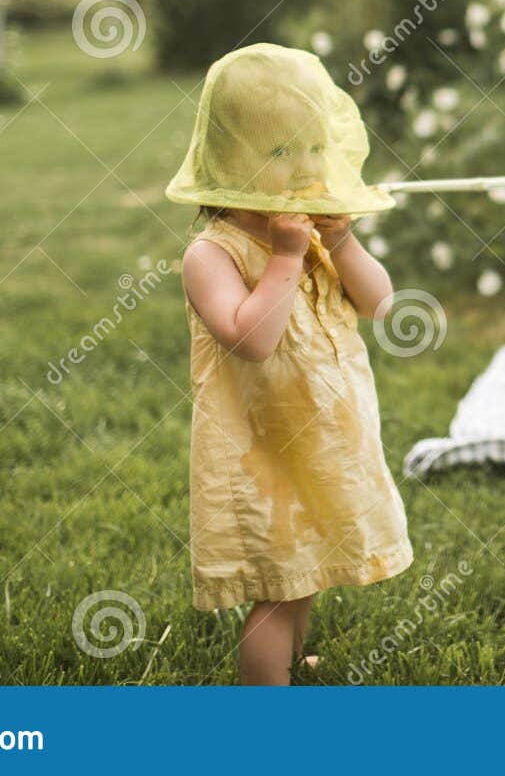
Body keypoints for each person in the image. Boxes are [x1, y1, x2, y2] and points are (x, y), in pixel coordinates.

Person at [166, 43, 413, 682]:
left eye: (310, 149)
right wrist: (282, 261)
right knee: (275, 581)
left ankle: (292, 659)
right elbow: (251, 338)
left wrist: (345, 241)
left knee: (306, 563)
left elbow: (381, 302)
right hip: (263, 449)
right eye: (279, 154)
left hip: (325, 438)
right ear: (232, 162)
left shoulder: (315, 236)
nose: (302, 167)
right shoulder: (212, 255)